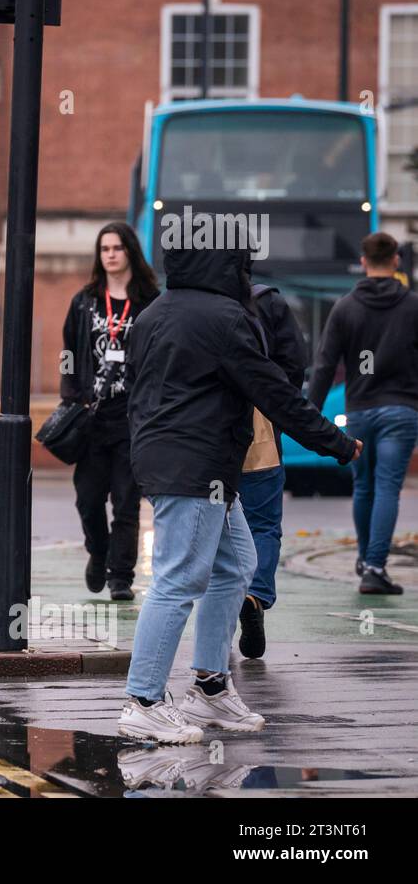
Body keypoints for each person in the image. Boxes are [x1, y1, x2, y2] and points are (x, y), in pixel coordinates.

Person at [117, 241, 359, 744]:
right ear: (232, 271)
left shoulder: (153, 313)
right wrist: (335, 443)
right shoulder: (227, 319)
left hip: (178, 460)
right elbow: (275, 393)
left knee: (236, 565)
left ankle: (208, 688)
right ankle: (143, 700)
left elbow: (135, 390)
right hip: (197, 463)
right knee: (178, 578)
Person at [308, 231, 418, 596]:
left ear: (364, 261)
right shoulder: (412, 305)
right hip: (401, 410)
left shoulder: (345, 307)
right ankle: (374, 566)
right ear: (397, 261)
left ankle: (365, 558)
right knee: (388, 485)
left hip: (360, 411)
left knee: (363, 485)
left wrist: (310, 416)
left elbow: (324, 366)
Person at [60, 222, 159, 601]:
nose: (111, 254)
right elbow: (68, 352)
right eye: (105, 249)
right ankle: (98, 552)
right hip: (91, 418)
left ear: (131, 251)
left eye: (118, 247)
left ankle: (121, 577)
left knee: (126, 502)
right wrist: (71, 395)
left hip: (133, 419)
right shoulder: (85, 300)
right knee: (87, 499)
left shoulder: (151, 300)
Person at [235, 281, 308, 659]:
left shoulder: (191, 301)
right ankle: (256, 593)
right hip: (260, 425)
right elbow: (296, 363)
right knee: (262, 523)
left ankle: (222, 611)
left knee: (216, 526)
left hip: (204, 430)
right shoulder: (269, 301)